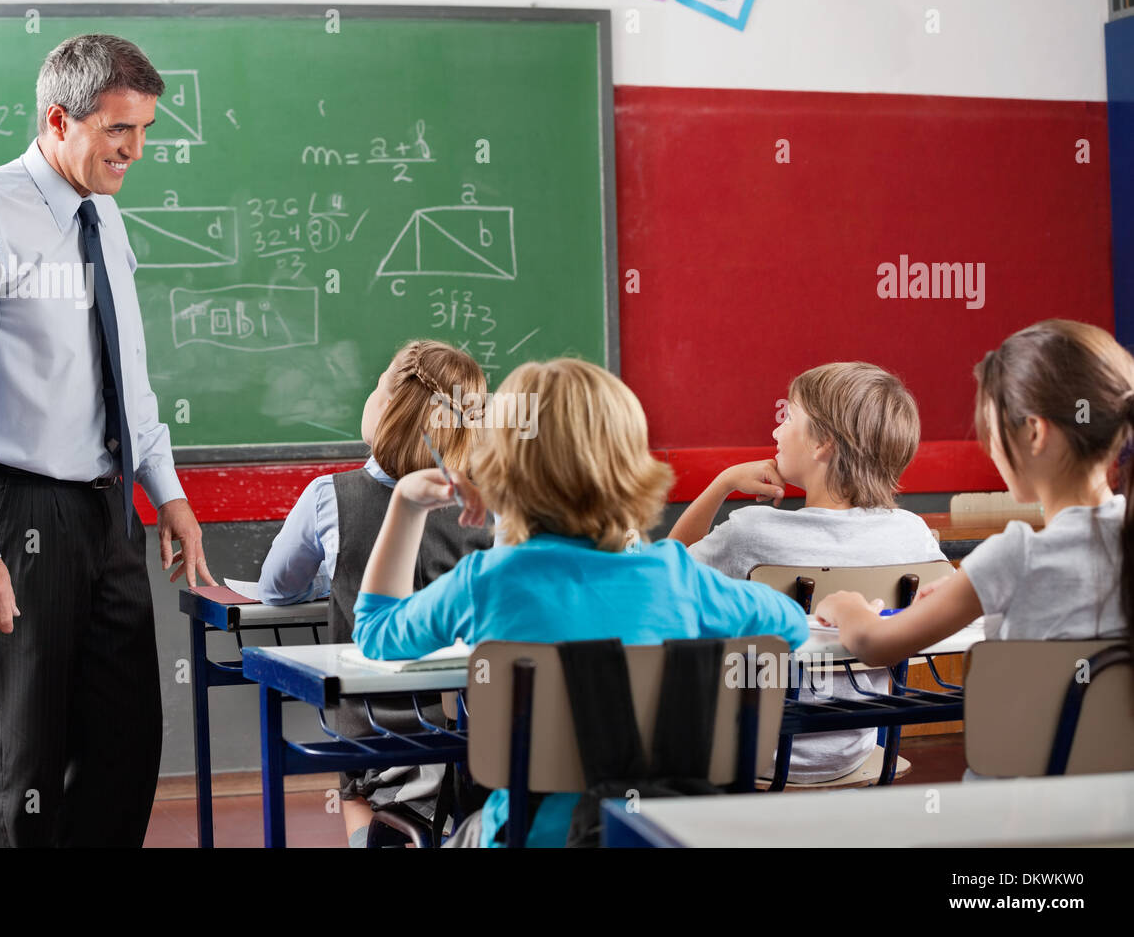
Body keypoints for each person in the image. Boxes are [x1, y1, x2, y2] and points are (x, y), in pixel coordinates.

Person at [0, 34, 215, 847]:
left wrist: (170, 495)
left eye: (145, 129)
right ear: (58, 119)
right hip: (21, 512)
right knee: (29, 751)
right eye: (120, 130)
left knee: (126, 745)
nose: (136, 150)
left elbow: (130, 375)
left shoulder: (104, 219)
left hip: (110, 511)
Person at [352, 358, 809, 847]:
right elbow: (790, 625)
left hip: (530, 834)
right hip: (661, 833)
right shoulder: (677, 576)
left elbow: (377, 633)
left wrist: (405, 505)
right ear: (629, 467)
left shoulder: (490, 581)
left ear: (499, 466)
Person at [257, 339, 492, 845]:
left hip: (374, 736)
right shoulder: (490, 508)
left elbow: (277, 588)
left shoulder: (330, 497)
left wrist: (334, 574)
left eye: (378, 384)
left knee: (353, 785)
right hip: (479, 743)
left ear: (389, 406)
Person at [669, 362, 944, 782]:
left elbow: (671, 571)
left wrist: (722, 483)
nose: (777, 431)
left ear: (822, 443)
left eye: (788, 417)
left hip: (751, 755)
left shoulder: (752, 531)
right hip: (856, 751)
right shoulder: (912, 533)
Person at [819, 320, 1133, 682]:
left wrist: (847, 607)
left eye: (991, 430)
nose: (990, 449)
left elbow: (874, 644)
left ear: (1034, 432)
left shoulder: (1017, 556)